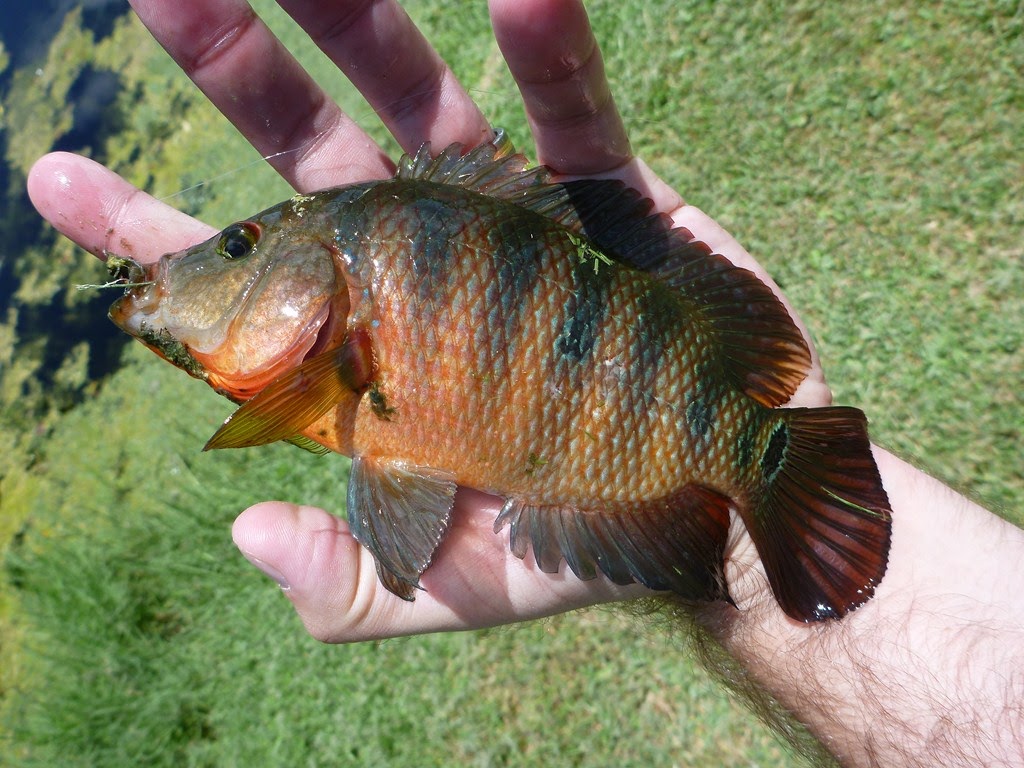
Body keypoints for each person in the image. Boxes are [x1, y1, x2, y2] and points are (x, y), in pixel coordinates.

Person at [27, 1, 1024, 765]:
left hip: (672, 411)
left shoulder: (332, 358)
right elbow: (391, 469)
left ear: (313, 284)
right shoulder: (319, 360)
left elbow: (385, 460)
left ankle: (758, 462)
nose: (226, 255)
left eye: (242, 246)